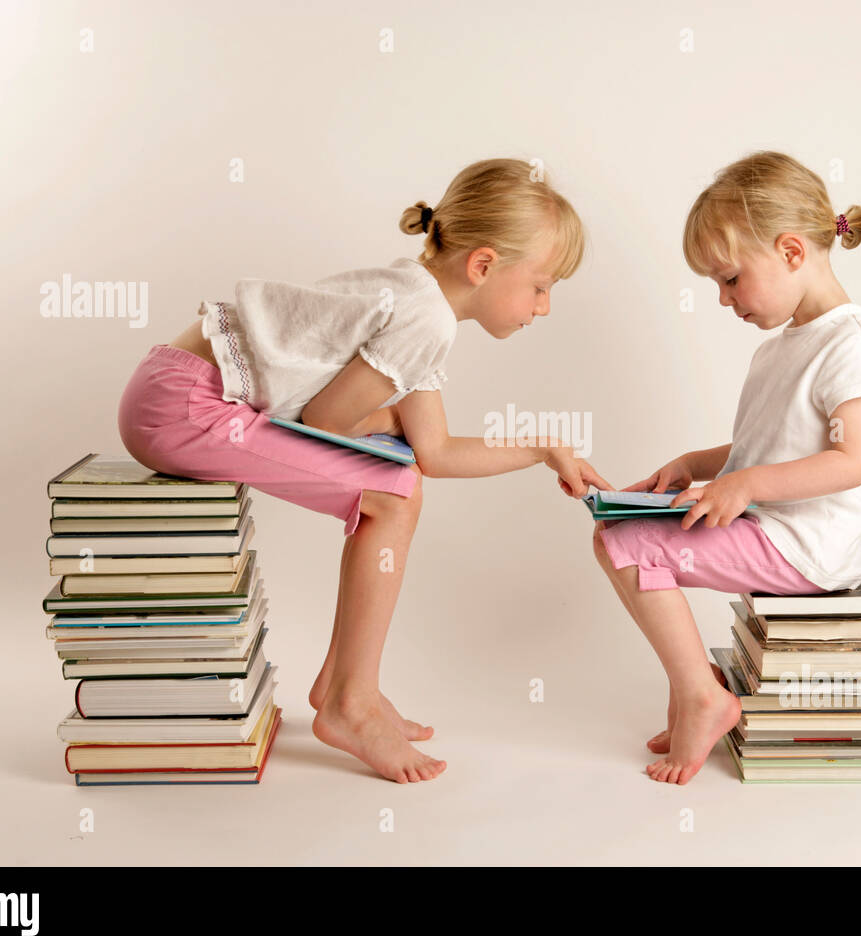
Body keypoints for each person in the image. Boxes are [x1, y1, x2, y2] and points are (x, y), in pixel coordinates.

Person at [118, 158, 610, 784]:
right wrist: (383, 425)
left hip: (174, 390)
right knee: (393, 494)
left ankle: (347, 687)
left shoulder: (416, 296)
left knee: (404, 482)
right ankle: (350, 700)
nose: (542, 307)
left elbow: (433, 450)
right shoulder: (424, 319)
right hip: (181, 407)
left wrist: (542, 447)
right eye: (541, 285)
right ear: (483, 266)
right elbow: (326, 419)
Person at [591, 150, 861, 784]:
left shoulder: (849, 346)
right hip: (771, 527)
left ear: (790, 252)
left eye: (729, 279)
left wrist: (746, 484)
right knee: (616, 532)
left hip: (804, 546)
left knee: (627, 544)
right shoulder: (779, 348)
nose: (724, 299)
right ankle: (691, 692)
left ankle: (701, 696)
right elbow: (766, 445)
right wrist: (694, 464)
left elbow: (851, 460)